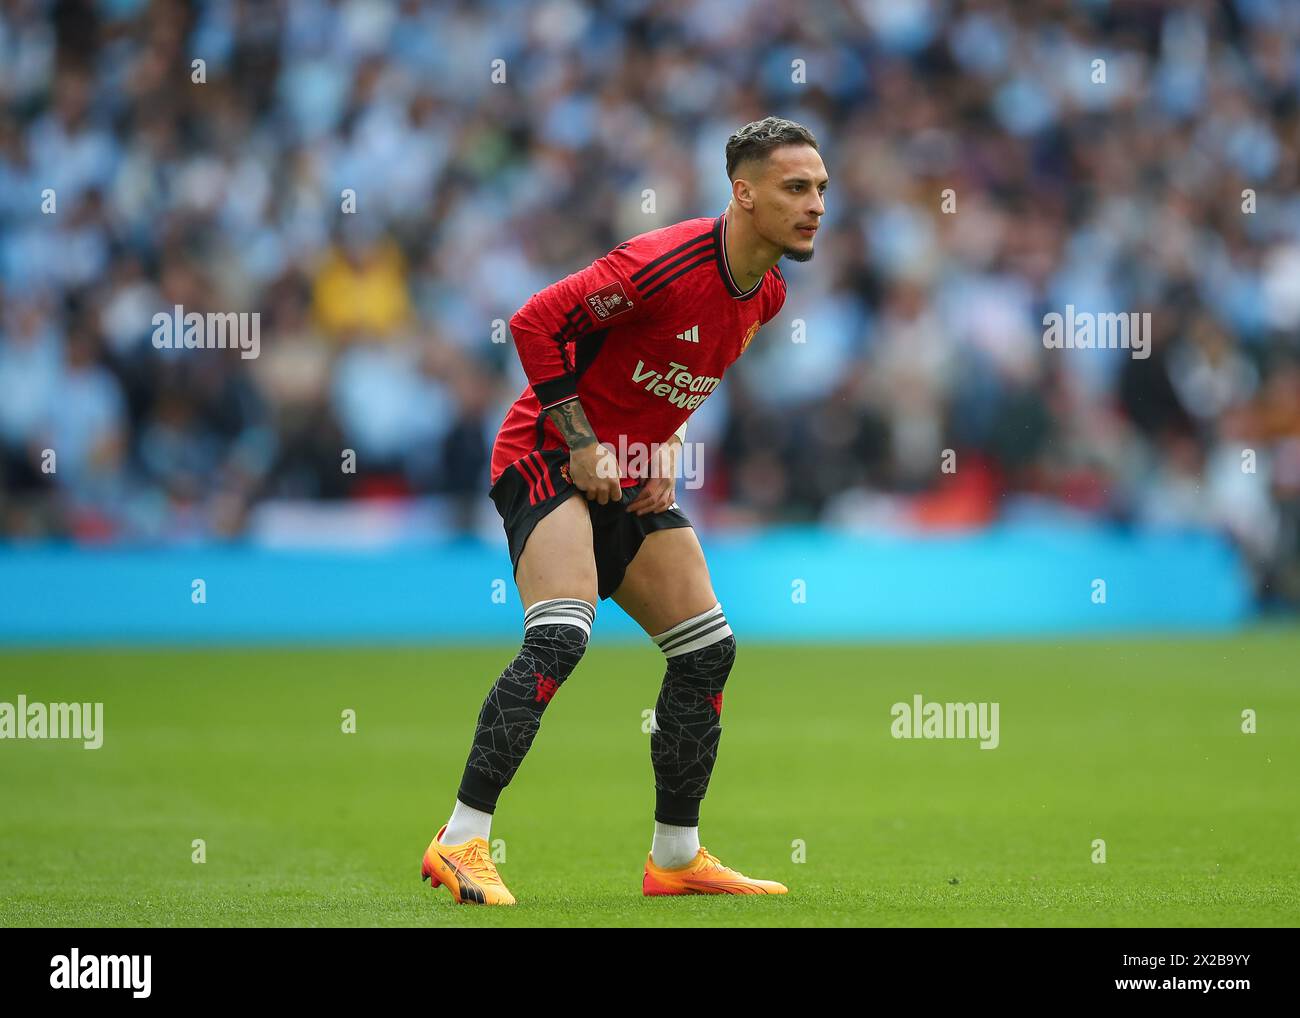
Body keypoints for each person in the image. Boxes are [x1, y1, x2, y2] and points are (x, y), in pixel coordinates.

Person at [422, 117, 828, 903]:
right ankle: (462, 839)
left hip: (631, 475)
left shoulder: (767, 294)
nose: (815, 205)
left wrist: (666, 447)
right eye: (795, 188)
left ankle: (676, 856)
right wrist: (580, 443)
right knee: (563, 637)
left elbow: (672, 374)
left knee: (708, 650)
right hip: (545, 455)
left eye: (819, 189)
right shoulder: (662, 263)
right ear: (743, 193)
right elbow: (535, 321)